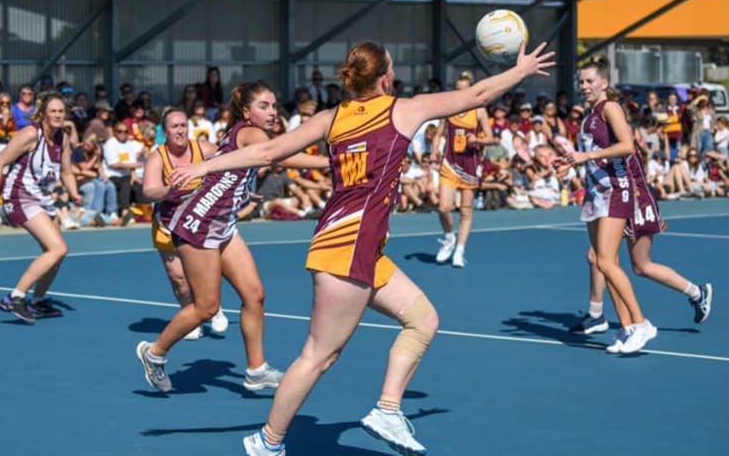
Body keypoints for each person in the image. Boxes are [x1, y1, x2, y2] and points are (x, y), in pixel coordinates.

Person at [168, 40, 554, 455]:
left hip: (358, 246)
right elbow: (475, 95)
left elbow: (267, 150)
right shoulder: (401, 110)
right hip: (347, 246)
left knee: (423, 320)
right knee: (319, 356)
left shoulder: (332, 117)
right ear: (386, 76)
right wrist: (521, 70)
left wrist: (204, 165)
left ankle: (387, 410)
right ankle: (267, 441)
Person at [136, 82, 328, 394]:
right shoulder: (250, 133)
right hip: (200, 224)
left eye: (273, 105)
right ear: (245, 111)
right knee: (206, 308)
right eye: (263, 106)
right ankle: (154, 352)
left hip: (223, 224)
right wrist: (331, 161)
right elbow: (278, 155)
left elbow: (275, 157)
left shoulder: (243, 133)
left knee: (254, 295)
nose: (271, 112)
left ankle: (256, 370)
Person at [556, 55, 656, 354]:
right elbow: (593, 154)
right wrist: (570, 162)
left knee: (607, 262)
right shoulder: (588, 115)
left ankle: (641, 324)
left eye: (589, 81)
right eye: (581, 81)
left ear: (604, 82)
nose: (584, 86)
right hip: (596, 192)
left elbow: (627, 146)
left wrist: (585, 157)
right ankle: (626, 329)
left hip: (616, 190)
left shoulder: (610, 108)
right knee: (602, 261)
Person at [569, 144, 713, 348]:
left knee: (639, 265)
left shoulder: (617, 138)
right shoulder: (597, 134)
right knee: (599, 257)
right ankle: (601, 316)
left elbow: (617, 164)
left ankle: (696, 293)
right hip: (614, 201)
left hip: (634, 202)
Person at [0, 92, 82, 323]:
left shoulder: (62, 139)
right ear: (43, 114)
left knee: (56, 256)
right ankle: (15, 297)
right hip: (20, 196)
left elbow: (66, 171)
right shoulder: (30, 134)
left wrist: (73, 191)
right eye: (53, 111)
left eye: (61, 111)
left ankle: (37, 300)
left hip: (43, 197)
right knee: (58, 248)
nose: (58, 115)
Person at [141, 108, 229, 341]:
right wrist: (169, 190)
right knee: (177, 276)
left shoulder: (204, 149)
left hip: (199, 219)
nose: (180, 131)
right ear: (165, 132)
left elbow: (232, 164)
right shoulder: (158, 157)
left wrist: (244, 188)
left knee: (203, 268)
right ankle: (191, 317)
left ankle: (213, 306)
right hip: (168, 221)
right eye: (174, 127)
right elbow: (149, 190)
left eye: (183, 126)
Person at [430, 72, 495, 268]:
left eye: (464, 89)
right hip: (450, 163)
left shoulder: (479, 111)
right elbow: (438, 134)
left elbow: (492, 138)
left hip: (469, 164)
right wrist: (434, 152)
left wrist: (478, 140)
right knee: (443, 207)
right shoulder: (449, 110)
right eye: (457, 89)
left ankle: (460, 250)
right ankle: (449, 238)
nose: (460, 93)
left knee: (466, 210)